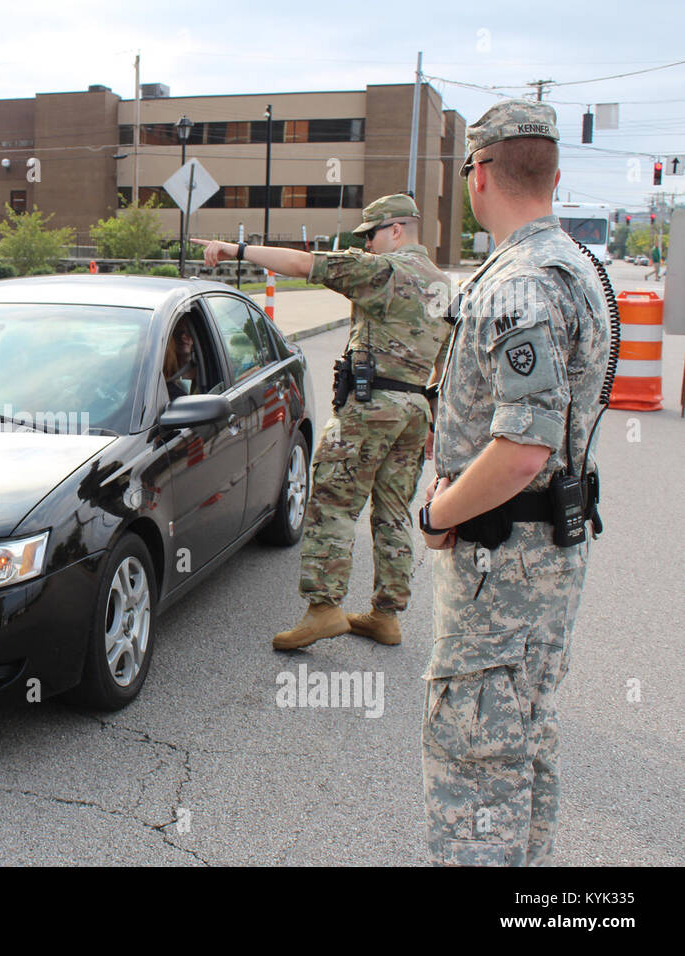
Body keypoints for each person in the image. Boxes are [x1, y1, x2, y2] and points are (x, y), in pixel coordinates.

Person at [419, 99, 610, 866]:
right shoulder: (578, 267)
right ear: (556, 176)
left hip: (504, 571)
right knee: (522, 748)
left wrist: (440, 512)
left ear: (480, 175)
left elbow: (523, 449)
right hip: (544, 565)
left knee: (474, 767)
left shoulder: (519, 284)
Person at [196, 194, 450, 651]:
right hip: (414, 411)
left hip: (371, 408)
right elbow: (445, 360)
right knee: (392, 511)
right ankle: (386, 616)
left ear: (395, 230)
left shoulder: (384, 271)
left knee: (332, 502)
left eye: (369, 235)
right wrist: (428, 412)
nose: (367, 245)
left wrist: (234, 249)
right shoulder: (443, 284)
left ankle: (323, 608)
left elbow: (300, 263)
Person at [164, 318, 197, 400]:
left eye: (188, 333)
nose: (183, 336)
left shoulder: (203, 369)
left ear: (194, 337)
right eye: (178, 333)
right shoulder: (165, 370)